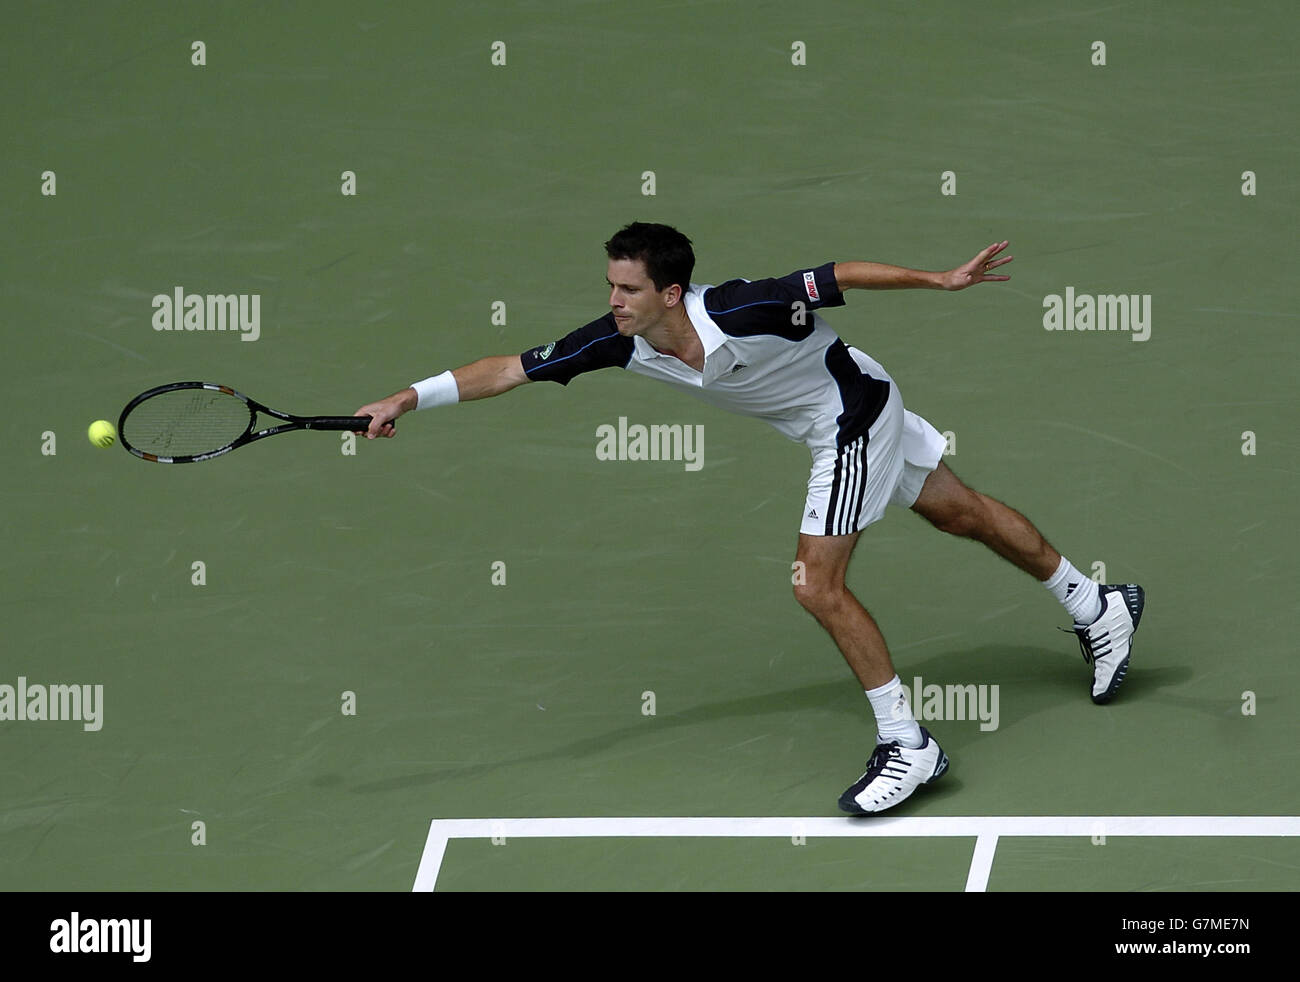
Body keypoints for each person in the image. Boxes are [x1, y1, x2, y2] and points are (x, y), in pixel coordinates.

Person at [354, 221, 1145, 815]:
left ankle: (909, 746)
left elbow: (838, 272)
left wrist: (938, 281)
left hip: (851, 414)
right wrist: (404, 398)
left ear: (669, 293)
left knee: (816, 586)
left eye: (626, 289)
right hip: (835, 409)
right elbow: (509, 368)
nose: (611, 301)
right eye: (609, 286)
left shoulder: (741, 308)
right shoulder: (621, 344)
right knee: (959, 513)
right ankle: (1096, 606)